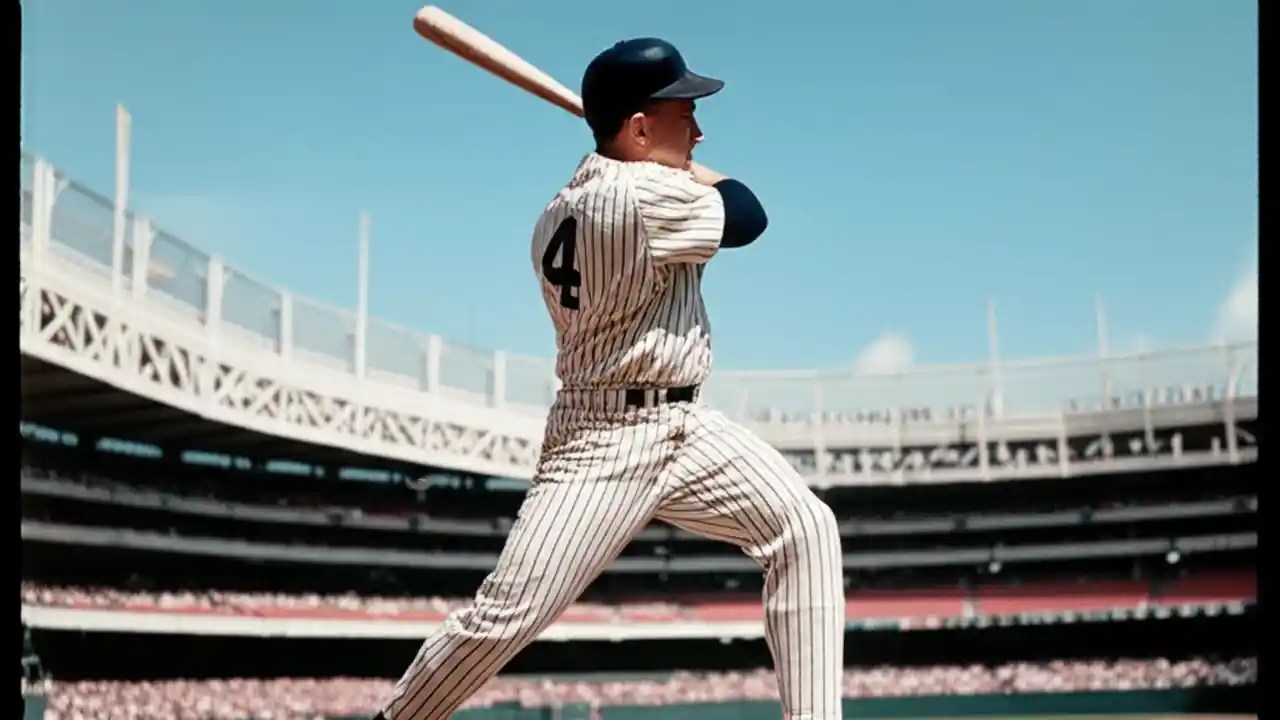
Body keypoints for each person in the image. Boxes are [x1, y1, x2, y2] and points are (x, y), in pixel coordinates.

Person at [376, 37, 845, 720]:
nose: (700, 128)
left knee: (804, 529)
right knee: (505, 617)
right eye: (684, 114)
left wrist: (671, 161)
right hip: (603, 441)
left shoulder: (560, 207)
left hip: (684, 425)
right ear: (640, 128)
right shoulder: (641, 198)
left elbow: (680, 194)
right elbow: (749, 214)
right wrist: (696, 173)